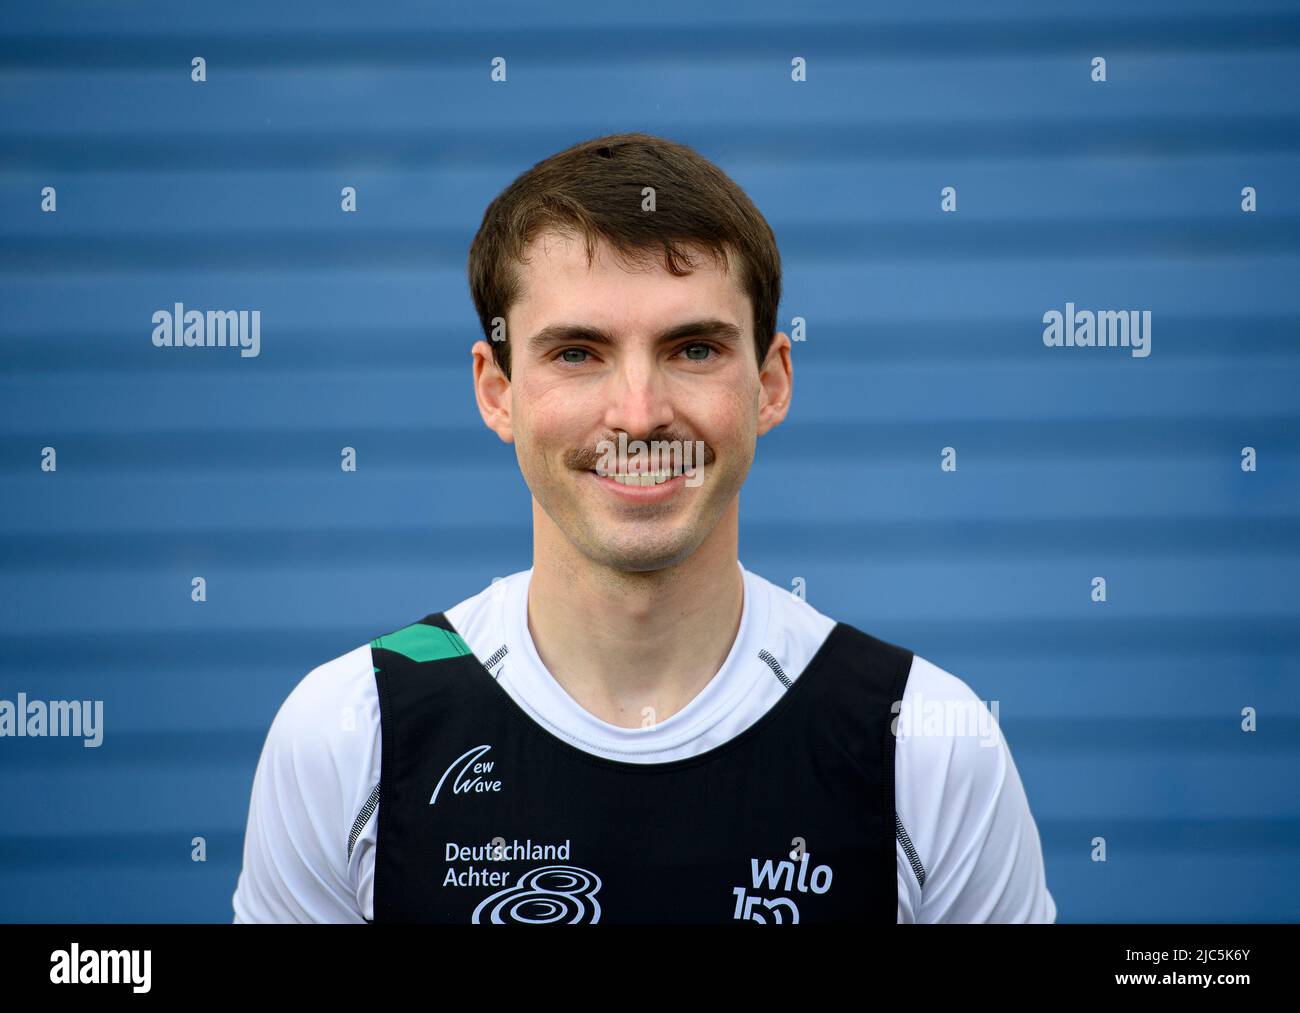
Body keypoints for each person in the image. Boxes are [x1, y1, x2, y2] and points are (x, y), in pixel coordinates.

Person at [232, 132, 1056, 924]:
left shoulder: (925, 740)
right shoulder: (351, 730)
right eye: (577, 353)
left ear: (770, 383)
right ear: (496, 390)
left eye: (693, 349)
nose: (638, 414)